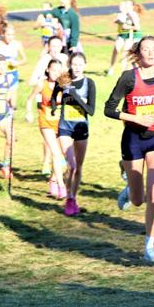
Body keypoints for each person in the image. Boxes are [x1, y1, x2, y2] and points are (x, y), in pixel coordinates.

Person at [104, 36, 154, 264]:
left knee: (153, 189)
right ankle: (128, 185)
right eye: (146, 49)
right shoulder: (128, 78)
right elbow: (109, 109)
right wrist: (135, 118)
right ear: (139, 52)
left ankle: (149, 246)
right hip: (133, 139)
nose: (151, 53)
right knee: (137, 200)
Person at [53, 52, 96, 215]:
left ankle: (72, 197)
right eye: (74, 64)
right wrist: (53, 105)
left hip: (81, 128)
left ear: (85, 65)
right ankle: (69, 199)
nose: (77, 68)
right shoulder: (64, 80)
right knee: (71, 165)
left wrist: (75, 96)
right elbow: (55, 93)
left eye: (80, 64)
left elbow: (90, 111)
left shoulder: (89, 83)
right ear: (70, 64)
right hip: (65, 127)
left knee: (78, 167)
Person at [26, 59, 67, 199]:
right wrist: (29, 113)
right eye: (53, 69)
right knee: (55, 153)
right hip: (45, 122)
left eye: (58, 70)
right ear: (48, 70)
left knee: (63, 154)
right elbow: (29, 99)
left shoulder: (63, 85)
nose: (56, 73)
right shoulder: (41, 84)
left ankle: (53, 181)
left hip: (60, 123)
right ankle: (61, 186)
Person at [0, 22, 27, 109]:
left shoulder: (17, 44)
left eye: (12, 35)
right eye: (8, 35)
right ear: (3, 34)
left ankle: (11, 117)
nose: (10, 37)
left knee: (13, 102)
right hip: (0, 76)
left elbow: (25, 59)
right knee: (3, 99)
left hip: (12, 74)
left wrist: (17, 63)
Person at [107, 0, 144, 77]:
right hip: (122, 35)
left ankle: (124, 71)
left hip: (131, 36)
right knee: (116, 50)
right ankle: (111, 68)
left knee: (126, 52)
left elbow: (137, 27)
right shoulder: (124, 14)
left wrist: (127, 27)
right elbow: (121, 22)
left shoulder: (132, 14)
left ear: (132, 6)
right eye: (125, 5)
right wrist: (118, 22)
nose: (126, 7)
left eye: (128, 5)